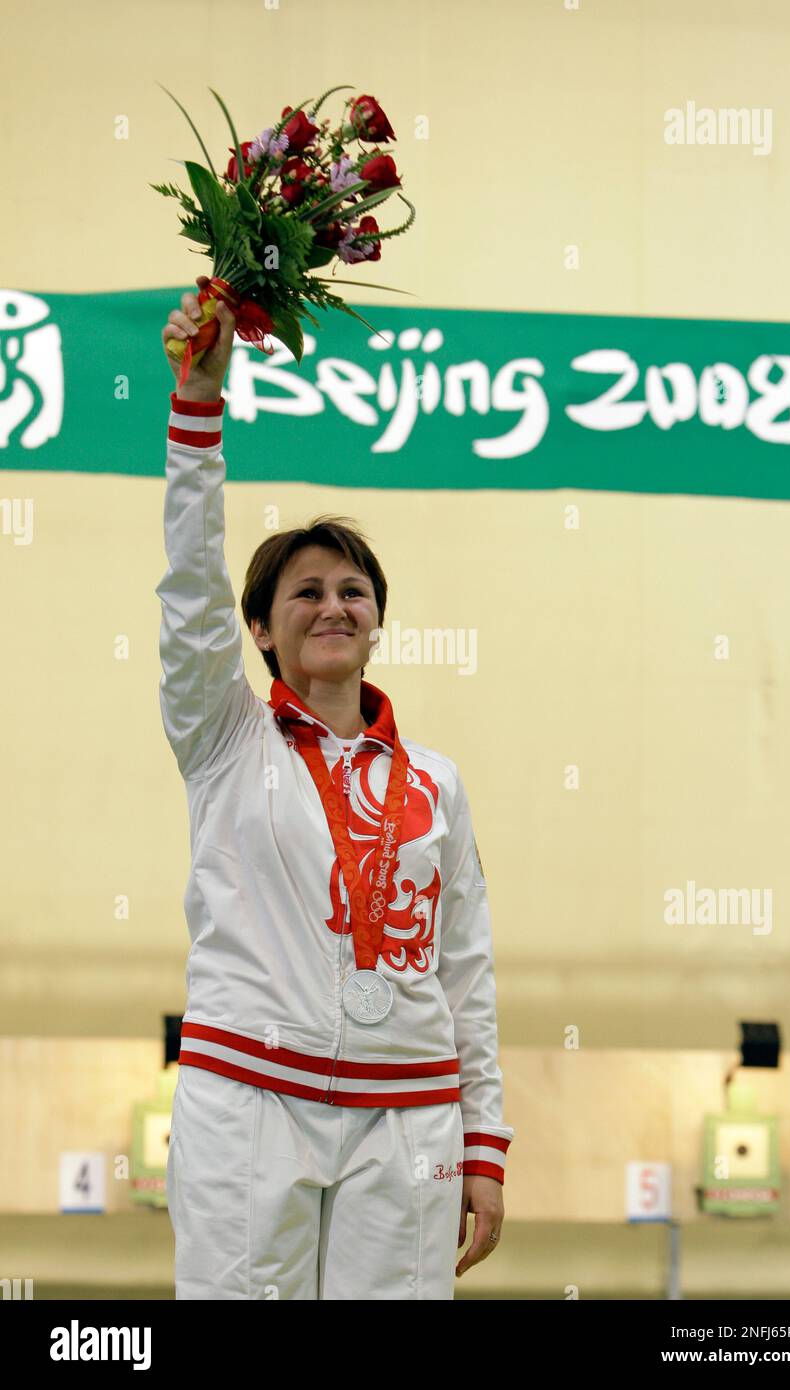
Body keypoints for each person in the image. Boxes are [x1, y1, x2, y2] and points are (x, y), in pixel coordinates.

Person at [158, 275, 514, 1300]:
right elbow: (187, 592)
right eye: (304, 590)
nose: (332, 604)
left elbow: (467, 968)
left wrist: (483, 1138)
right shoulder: (225, 738)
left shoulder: (435, 782)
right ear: (261, 629)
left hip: (411, 1113)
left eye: (352, 590)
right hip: (249, 1096)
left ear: (377, 620)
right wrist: (197, 415)